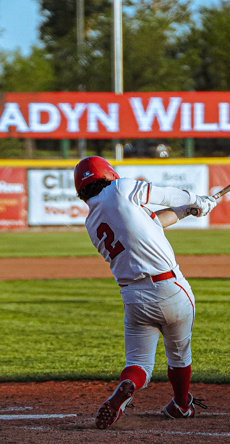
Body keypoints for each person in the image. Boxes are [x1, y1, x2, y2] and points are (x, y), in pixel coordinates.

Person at [74, 156, 215, 429]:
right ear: (109, 174)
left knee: (138, 363)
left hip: (134, 298)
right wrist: (197, 199)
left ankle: (128, 384)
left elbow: (152, 223)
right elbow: (167, 195)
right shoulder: (120, 188)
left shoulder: (92, 222)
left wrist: (189, 210)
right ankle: (181, 405)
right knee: (179, 356)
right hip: (170, 288)